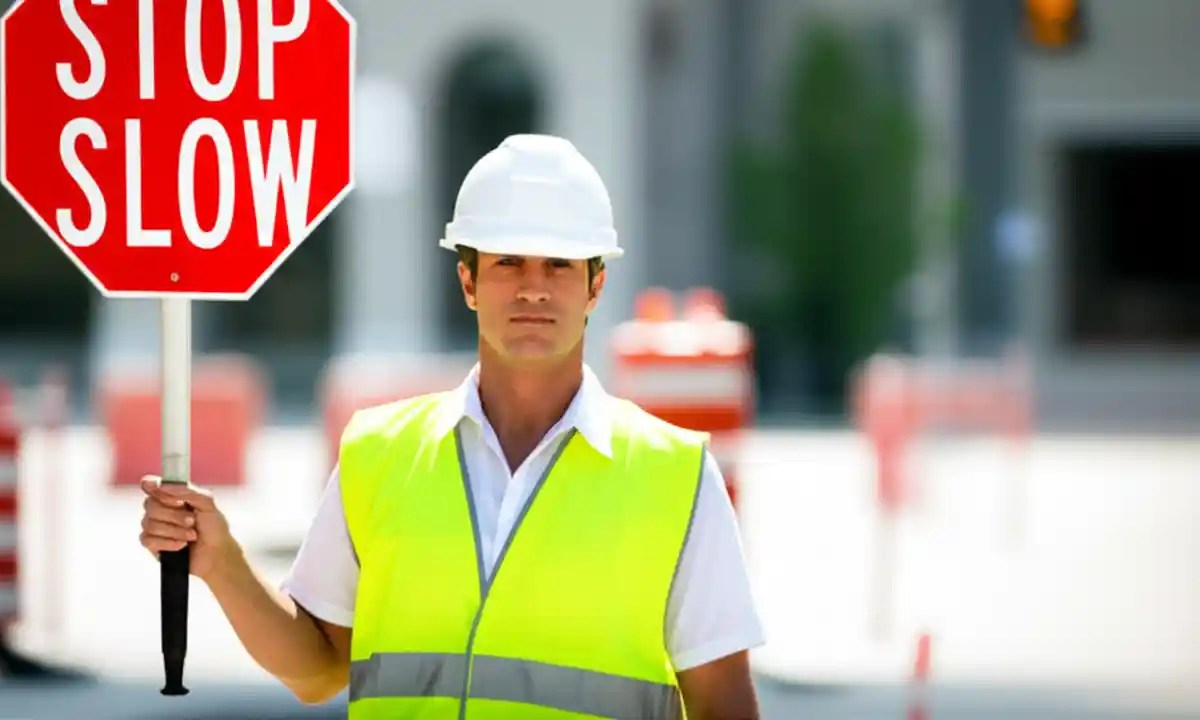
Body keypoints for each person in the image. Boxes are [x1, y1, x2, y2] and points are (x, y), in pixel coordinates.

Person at [138, 134, 765, 719]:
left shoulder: (675, 476)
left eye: (560, 266)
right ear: (467, 280)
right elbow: (316, 670)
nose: (534, 289)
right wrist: (221, 561)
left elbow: (724, 701)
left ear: (596, 285)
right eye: (508, 263)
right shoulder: (379, 454)